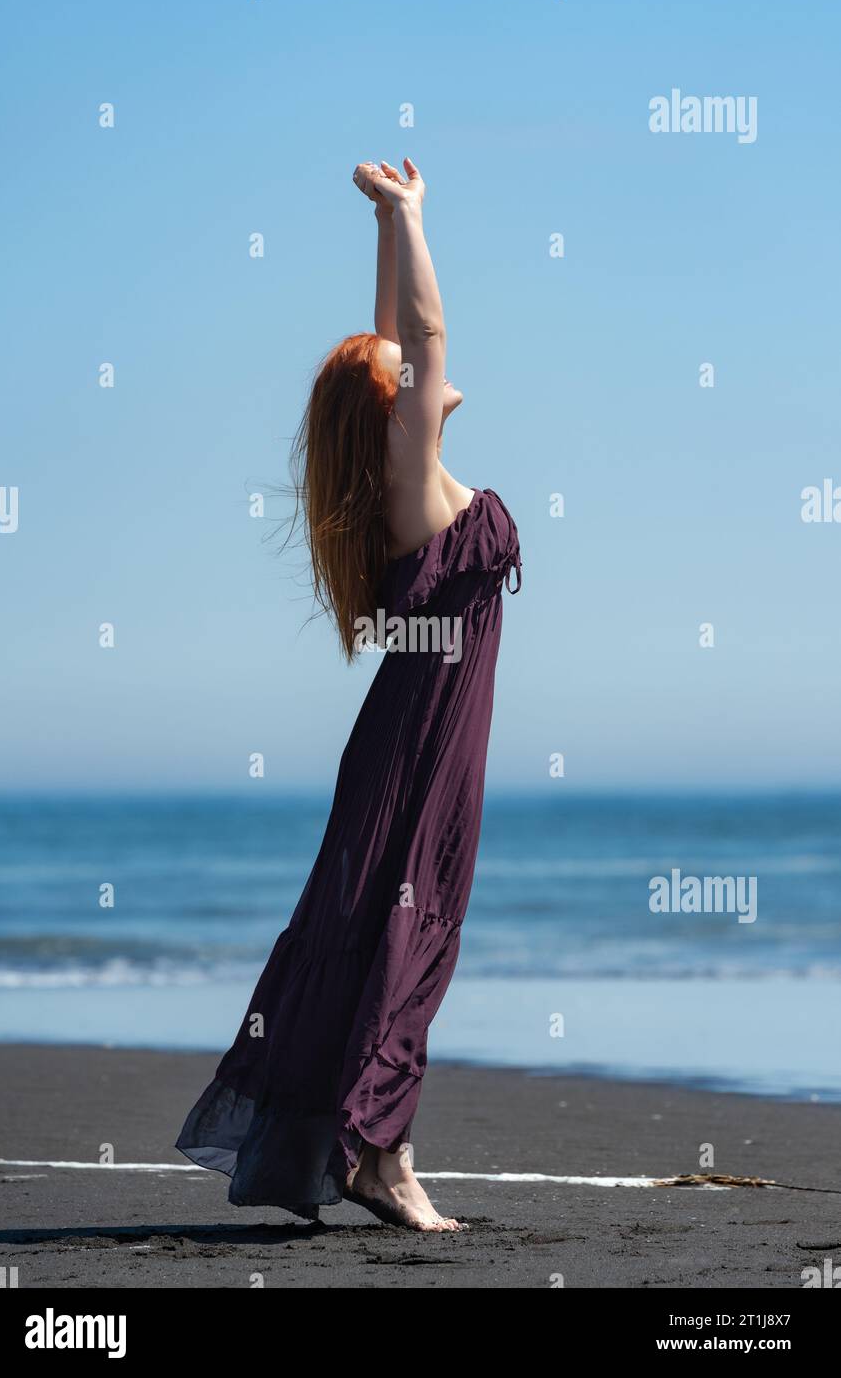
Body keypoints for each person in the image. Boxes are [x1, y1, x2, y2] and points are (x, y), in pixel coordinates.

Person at [176, 158, 522, 1232]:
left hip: (414, 733)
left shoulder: (394, 467)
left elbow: (390, 338)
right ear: (391, 409)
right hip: (420, 740)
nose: (411, 368)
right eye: (396, 375)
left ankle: (371, 1149)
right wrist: (416, 216)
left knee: (393, 928)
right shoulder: (408, 469)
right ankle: (384, 1158)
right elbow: (418, 340)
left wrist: (382, 219)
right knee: (405, 938)